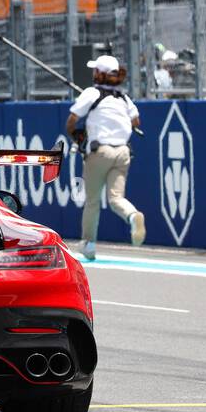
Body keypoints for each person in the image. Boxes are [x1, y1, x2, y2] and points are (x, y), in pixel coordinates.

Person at [65, 54, 146, 261]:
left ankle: (88, 244)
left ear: (99, 74)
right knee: (116, 198)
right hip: (123, 153)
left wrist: (77, 136)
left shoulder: (91, 93)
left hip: (100, 152)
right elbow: (136, 122)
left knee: (92, 201)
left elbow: (72, 121)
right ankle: (133, 215)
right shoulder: (123, 98)